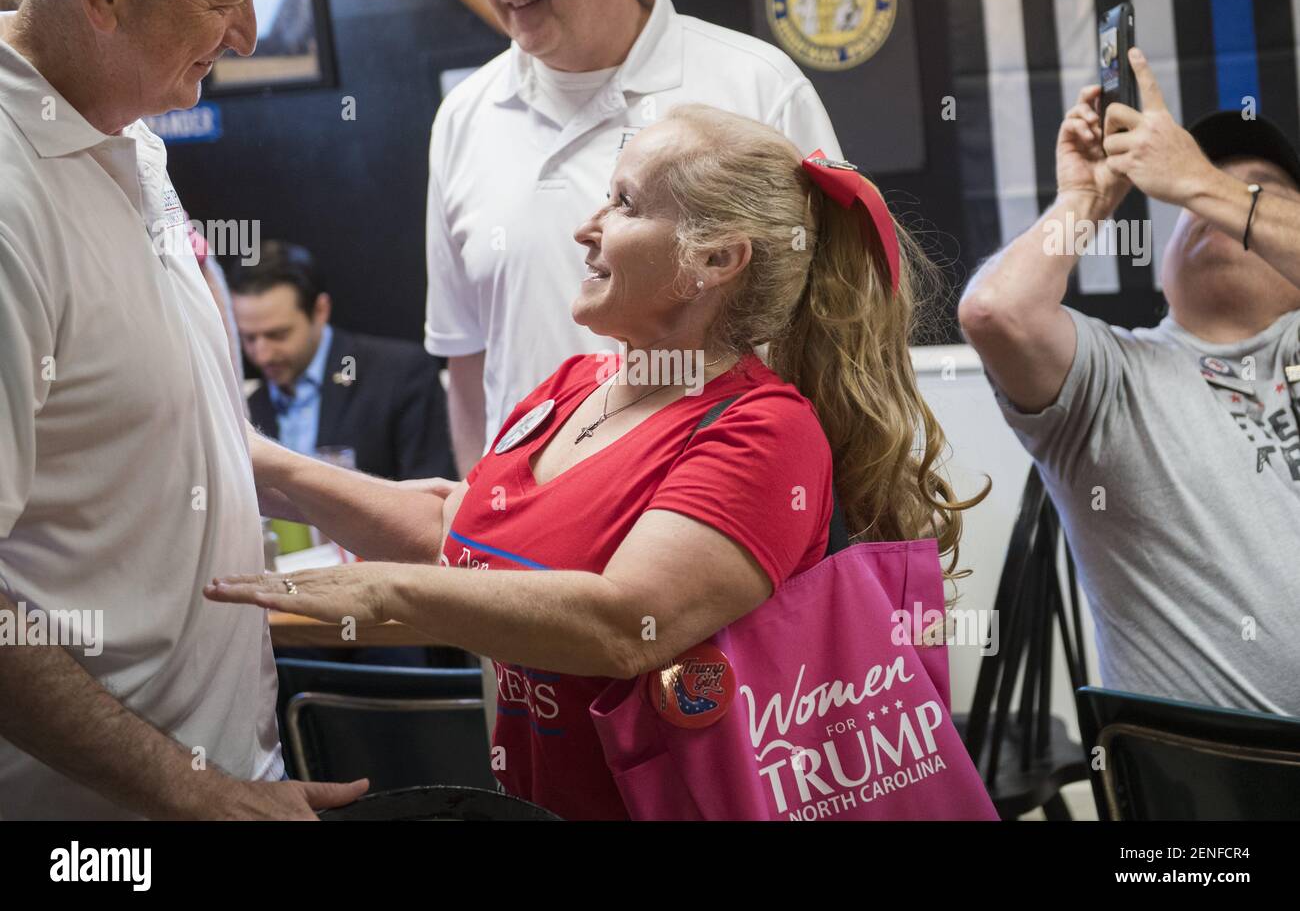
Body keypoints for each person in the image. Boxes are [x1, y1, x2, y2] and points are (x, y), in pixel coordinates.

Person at [207, 104, 981, 820]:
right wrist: (258, 463)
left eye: (624, 204)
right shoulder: (574, 387)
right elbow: (462, 526)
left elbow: (626, 623)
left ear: (715, 258)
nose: (587, 228)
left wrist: (384, 589)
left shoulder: (764, 430)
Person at [0, 0, 366, 818]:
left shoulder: (125, 125)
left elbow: (163, 424)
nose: (245, 34)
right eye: (220, 3)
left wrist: (351, 497)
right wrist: (189, 789)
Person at [427, 0, 844, 476]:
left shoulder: (756, 85)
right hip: (526, 518)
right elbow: (467, 350)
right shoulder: (463, 117)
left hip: (721, 501)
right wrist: (474, 505)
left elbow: (839, 318)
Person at [959, 47, 1300, 716]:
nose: (1210, 200)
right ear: (1163, 269)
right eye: (1188, 198)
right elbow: (996, 310)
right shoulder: (1113, 378)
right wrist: (1082, 200)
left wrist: (1201, 182)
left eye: (1253, 191)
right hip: (1216, 788)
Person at [231, 240, 455, 481]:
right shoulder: (246, 406)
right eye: (249, 338)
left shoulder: (400, 375)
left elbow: (433, 496)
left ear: (320, 311)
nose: (262, 354)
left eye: (278, 335)